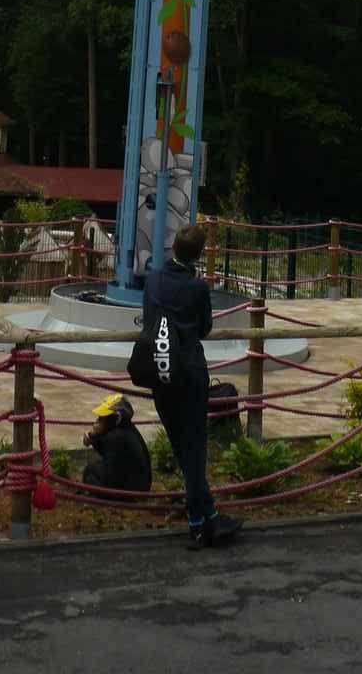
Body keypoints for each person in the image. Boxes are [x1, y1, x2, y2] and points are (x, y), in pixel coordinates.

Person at [138, 221, 242, 549]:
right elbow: (205, 327)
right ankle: (199, 523)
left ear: (173, 248)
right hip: (190, 373)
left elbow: (147, 315)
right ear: (199, 254)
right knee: (194, 447)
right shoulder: (198, 287)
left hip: (159, 369)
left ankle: (208, 515)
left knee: (181, 447)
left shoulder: (152, 278)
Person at [81, 392, 153, 496]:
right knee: (93, 468)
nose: (97, 421)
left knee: (90, 473)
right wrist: (94, 438)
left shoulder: (116, 437)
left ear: (116, 418)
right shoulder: (127, 428)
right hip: (140, 485)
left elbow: (110, 476)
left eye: (102, 418)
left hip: (133, 490)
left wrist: (90, 471)